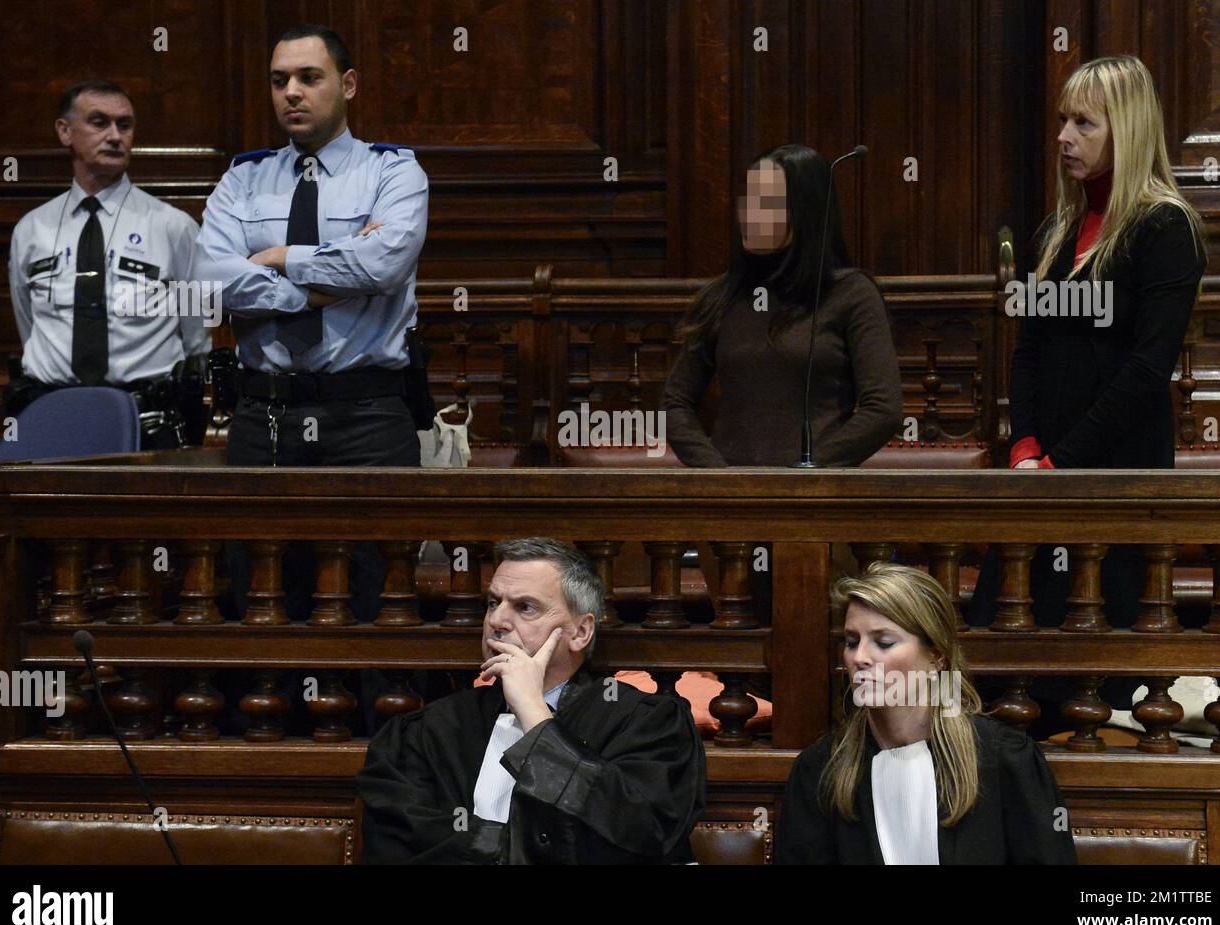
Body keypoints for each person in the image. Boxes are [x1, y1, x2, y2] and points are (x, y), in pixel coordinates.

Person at [967, 55, 1208, 736]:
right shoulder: (1055, 233)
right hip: (1042, 478)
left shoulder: (1165, 229)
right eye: (1062, 121)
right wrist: (1024, 445)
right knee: (1008, 667)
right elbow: (1030, 352)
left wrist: (1061, 463)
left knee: (1091, 679)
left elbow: (1145, 369)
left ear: (1124, 130)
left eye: (1083, 123)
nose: (1064, 137)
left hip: (1114, 475)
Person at [195, 24, 428, 634]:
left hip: (367, 415)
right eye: (279, 81)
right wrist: (327, 277)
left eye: (309, 77)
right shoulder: (244, 178)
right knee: (265, 598)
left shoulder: (392, 173)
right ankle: (277, 726)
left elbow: (385, 263)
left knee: (381, 599)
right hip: (263, 417)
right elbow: (212, 282)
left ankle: (386, 730)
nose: (291, 93)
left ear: (347, 85)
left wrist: (276, 258)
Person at [357, 538, 707, 864]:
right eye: (493, 603)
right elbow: (397, 843)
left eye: (525, 607)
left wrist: (536, 718)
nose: (496, 621)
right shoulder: (429, 731)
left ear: (580, 632)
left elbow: (635, 837)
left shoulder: (647, 725)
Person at [776, 562, 1076, 864]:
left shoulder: (1005, 760)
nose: (860, 657)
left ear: (936, 658)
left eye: (883, 642)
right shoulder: (819, 770)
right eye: (852, 641)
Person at [661, 143, 902, 468]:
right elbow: (675, 402)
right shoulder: (724, 295)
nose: (750, 214)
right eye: (748, 201)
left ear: (808, 214)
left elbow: (883, 409)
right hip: (730, 497)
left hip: (816, 494)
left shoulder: (850, 293)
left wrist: (808, 469)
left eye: (769, 203)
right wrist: (716, 474)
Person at [6, 80, 210, 448]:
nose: (115, 136)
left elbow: (197, 338)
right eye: (99, 123)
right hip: (52, 416)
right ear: (65, 131)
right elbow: (29, 325)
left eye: (125, 125)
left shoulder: (174, 227)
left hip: (147, 422)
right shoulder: (31, 230)